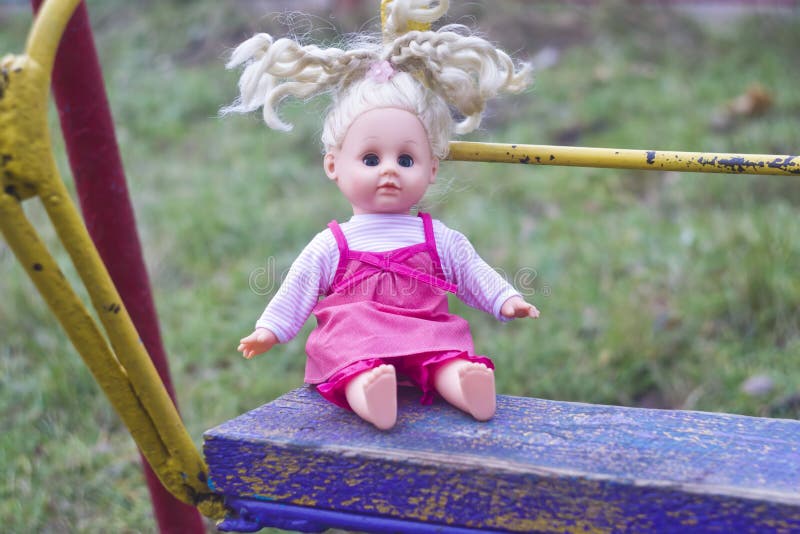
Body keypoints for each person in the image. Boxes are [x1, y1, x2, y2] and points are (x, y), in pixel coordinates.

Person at [225, 0, 538, 430]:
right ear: (334, 165)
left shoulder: (438, 238)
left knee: (443, 352)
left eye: (406, 160)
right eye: (371, 159)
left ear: (431, 169)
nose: (389, 170)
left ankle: (462, 382)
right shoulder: (333, 244)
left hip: (423, 327)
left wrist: (506, 299)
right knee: (350, 358)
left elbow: (472, 271)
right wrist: (271, 329)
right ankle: (369, 389)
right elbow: (298, 286)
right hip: (356, 335)